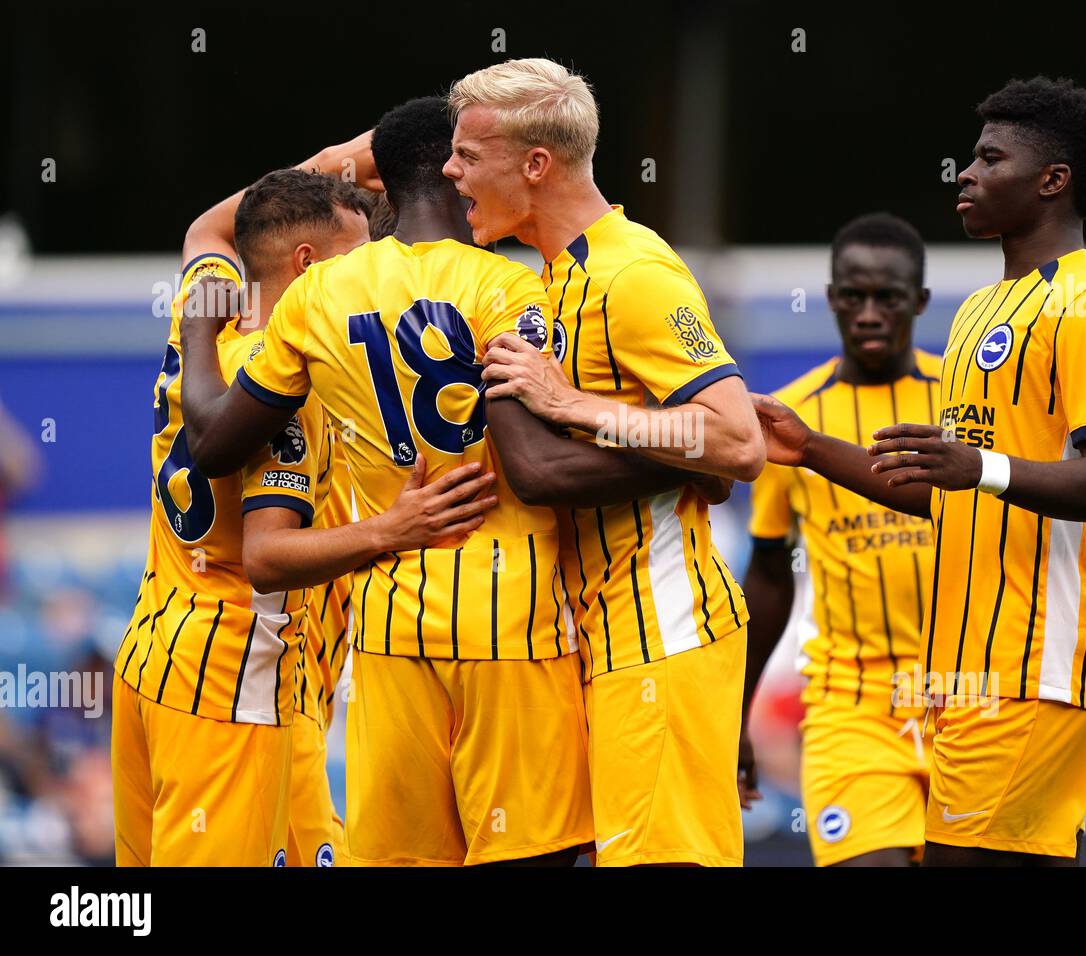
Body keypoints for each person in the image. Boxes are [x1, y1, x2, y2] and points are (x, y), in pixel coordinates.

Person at [177, 97, 718, 865]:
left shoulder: (316, 294)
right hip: (512, 625)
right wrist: (692, 454)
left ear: (388, 186)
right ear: (456, 173)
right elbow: (537, 471)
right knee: (527, 855)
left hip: (389, 628)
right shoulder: (509, 290)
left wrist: (200, 318)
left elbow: (219, 443)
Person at [751, 76, 1086, 865]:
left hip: (1041, 657)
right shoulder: (979, 313)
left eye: (988, 158)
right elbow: (956, 495)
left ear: (1052, 181)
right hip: (966, 672)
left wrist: (983, 468)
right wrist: (812, 449)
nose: (964, 174)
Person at [115, 145, 493, 865]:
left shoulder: (209, 310)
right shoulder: (281, 390)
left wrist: (362, 157)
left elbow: (208, 227)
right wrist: (394, 528)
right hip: (235, 683)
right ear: (309, 267)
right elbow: (268, 558)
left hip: (160, 651)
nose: (370, 279)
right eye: (358, 262)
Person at [446, 57, 765, 866]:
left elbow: (736, 442)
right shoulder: (552, 278)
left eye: (468, 156)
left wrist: (574, 405)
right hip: (599, 633)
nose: (451, 172)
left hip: (663, 626)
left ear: (535, 165)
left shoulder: (635, 272)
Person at [741, 212, 939, 866]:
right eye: (853, 296)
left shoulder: (969, 404)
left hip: (974, 701)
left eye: (889, 298)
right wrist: (735, 714)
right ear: (831, 299)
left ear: (920, 301)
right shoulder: (788, 424)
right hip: (851, 708)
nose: (870, 313)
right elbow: (769, 575)